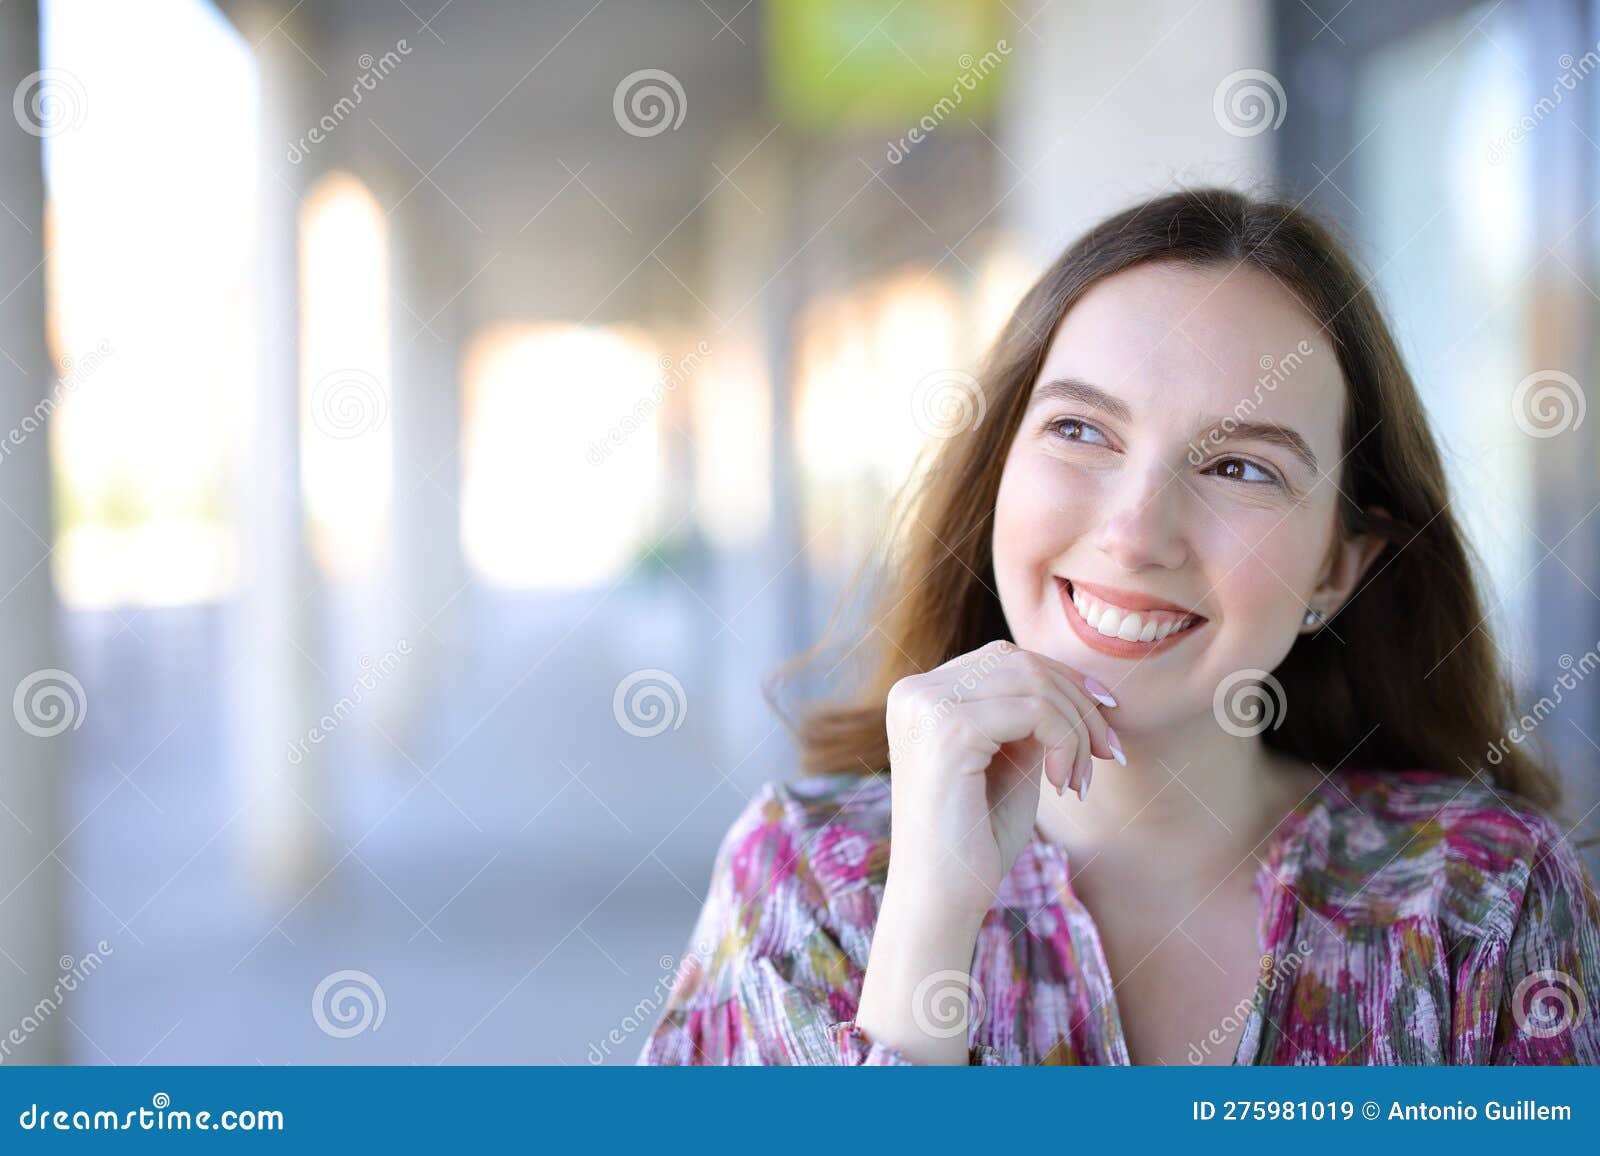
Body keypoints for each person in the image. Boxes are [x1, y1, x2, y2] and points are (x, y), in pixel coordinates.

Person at [637, 186, 1600, 1065]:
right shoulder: (807, 878)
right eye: (1081, 431)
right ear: (999, 471)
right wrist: (930, 915)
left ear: (1337, 568)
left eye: (1241, 467)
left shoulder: (1483, 897)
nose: (1136, 535)